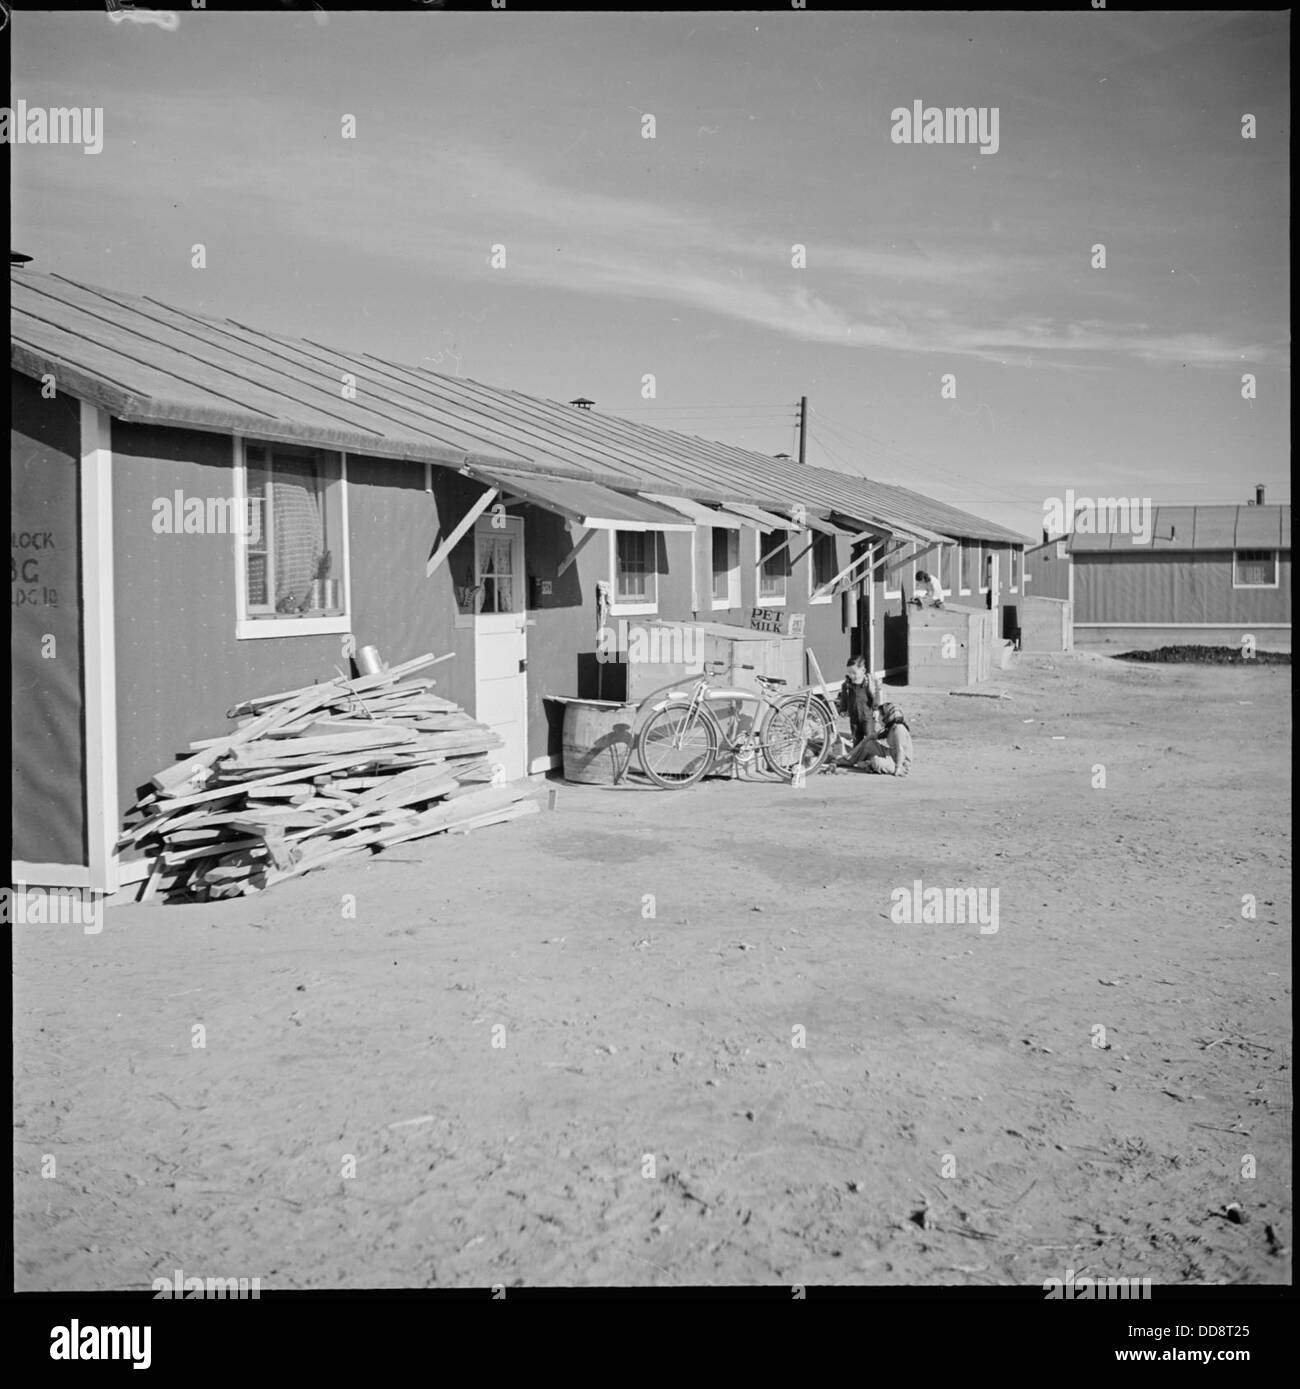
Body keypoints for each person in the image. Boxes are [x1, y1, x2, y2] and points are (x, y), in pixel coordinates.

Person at [840, 700, 913, 777]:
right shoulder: (889, 728)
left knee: (876, 762)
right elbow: (869, 738)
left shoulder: (898, 729)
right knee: (870, 744)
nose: (878, 718)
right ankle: (851, 761)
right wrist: (852, 754)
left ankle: (868, 764)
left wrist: (898, 769)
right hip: (890, 755)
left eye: (880, 715)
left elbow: (900, 750)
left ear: (887, 716)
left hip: (900, 763)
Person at [835, 655, 880, 748]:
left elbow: (876, 695)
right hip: (854, 717)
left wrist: (876, 709)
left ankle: (872, 756)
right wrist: (843, 709)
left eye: (854, 673)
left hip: (867, 716)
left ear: (863, 671)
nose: (851, 675)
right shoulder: (847, 685)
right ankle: (857, 757)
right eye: (849, 672)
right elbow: (844, 698)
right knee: (856, 739)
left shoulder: (869, 683)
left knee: (870, 737)